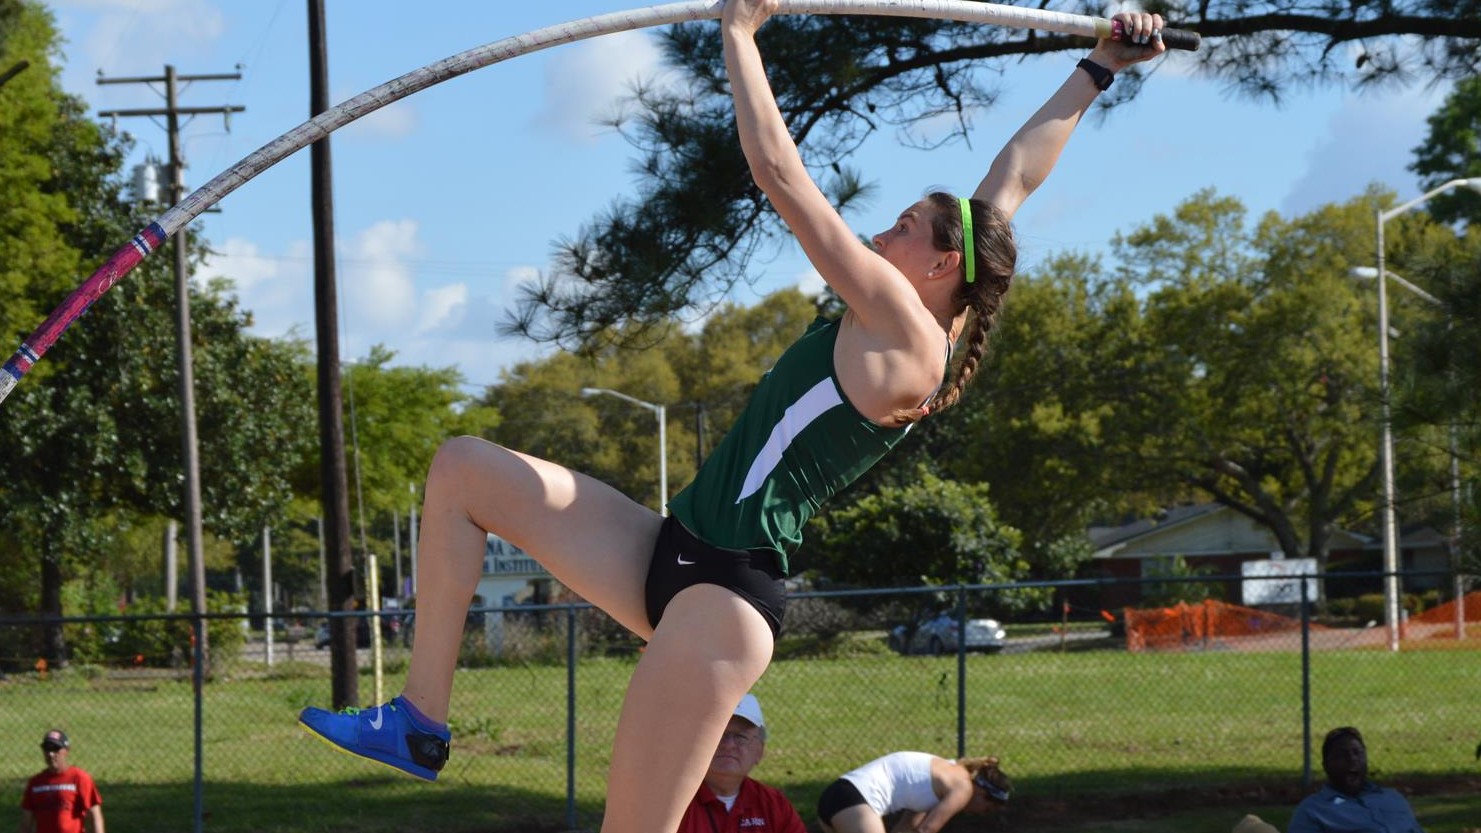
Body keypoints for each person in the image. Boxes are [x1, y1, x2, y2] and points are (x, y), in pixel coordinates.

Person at [298, 3, 1168, 831]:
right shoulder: (940, 293)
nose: (881, 231)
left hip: (722, 600)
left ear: (942, 264)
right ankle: (419, 720)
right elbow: (1014, 174)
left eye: (904, 225)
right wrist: (1098, 68)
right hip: (669, 550)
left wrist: (739, 32)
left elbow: (780, 179)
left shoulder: (906, 334)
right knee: (461, 469)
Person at [676, 693, 806, 833]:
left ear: (759, 751)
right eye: (719, 734)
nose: (729, 745)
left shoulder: (774, 805)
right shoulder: (674, 801)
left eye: (740, 736)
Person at [816, 751, 1010, 833]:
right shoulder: (963, 787)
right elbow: (928, 829)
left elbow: (906, 828)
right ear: (981, 793)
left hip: (838, 797)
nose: (978, 813)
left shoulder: (939, 779)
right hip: (855, 802)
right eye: (986, 809)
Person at [1286, 727, 1424, 833]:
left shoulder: (1392, 798)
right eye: (1342, 755)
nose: (1352, 759)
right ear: (1326, 765)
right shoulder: (1313, 811)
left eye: (1358, 753)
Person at [20, 730, 105, 833]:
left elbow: (95, 816)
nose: (51, 754)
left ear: (66, 750)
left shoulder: (79, 778)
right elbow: (26, 822)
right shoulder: (35, 783)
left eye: (55, 749)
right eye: (47, 749)